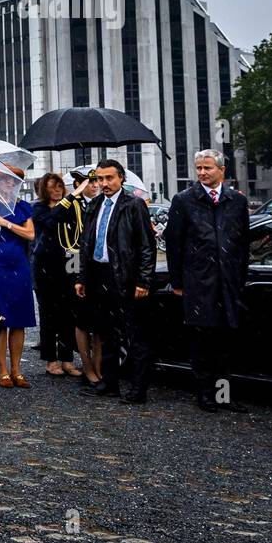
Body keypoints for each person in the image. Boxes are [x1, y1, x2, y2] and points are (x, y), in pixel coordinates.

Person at [165, 150, 251, 412]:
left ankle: (223, 395)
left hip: (229, 284)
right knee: (202, 342)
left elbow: (243, 242)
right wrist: (177, 281)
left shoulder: (236, 200)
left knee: (226, 343)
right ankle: (205, 395)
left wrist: (240, 278)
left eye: (207, 168)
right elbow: (174, 243)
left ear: (222, 170)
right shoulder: (184, 200)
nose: (202, 172)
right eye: (198, 168)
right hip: (198, 283)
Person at [75, 159, 155, 404]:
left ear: (121, 178)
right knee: (106, 332)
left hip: (126, 276)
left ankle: (138, 388)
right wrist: (82, 277)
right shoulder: (95, 205)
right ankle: (110, 383)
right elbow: (86, 244)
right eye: (100, 179)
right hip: (100, 275)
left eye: (109, 178)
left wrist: (143, 280)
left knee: (134, 335)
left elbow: (146, 245)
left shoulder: (134, 205)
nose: (104, 183)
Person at [0, 165, 36, 388]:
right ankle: (3, 370)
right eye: (6, 180)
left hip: (19, 266)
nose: (10, 184)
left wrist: (7, 224)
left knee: (19, 321)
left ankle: (17, 370)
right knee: (1, 320)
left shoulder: (22, 206)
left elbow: (30, 234)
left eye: (14, 181)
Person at [32, 173, 82, 378]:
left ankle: (67, 359)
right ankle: (51, 360)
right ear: (45, 189)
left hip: (68, 264)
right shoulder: (39, 208)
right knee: (48, 315)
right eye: (52, 187)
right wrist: (68, 200)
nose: (57, 190)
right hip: (46, 267)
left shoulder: (70, 207)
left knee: (68, 314)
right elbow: (51, 221)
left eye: (60, 186)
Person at [59, 169, 102, 385]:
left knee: (100, 318)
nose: (95, 186)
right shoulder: (72, 203)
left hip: (96, 261)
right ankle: (84, 364)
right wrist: (75, 194)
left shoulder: (101, 203)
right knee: (78, 312)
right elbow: (55, 216)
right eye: (91, 182)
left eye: (97, 182)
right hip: (73, 258)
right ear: (78, 184)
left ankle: (99, 365)